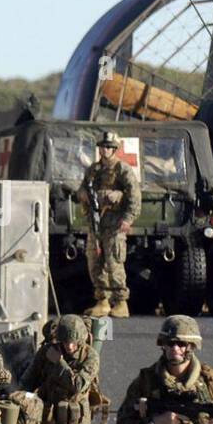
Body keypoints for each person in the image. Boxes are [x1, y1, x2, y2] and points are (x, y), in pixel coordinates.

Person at [75, 131, 141, 319]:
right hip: (96, 223)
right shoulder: (94, 170)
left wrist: (128, 218)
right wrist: (83, 195)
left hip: (115, 224)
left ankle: (121, 301)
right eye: (102, 147)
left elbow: (134, 196)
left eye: (108, 147)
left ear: (114, 150)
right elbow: (82, 188)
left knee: (114, 261)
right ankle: (102, 300)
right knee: (94, 261)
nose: (104, 150)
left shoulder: (122, 169)